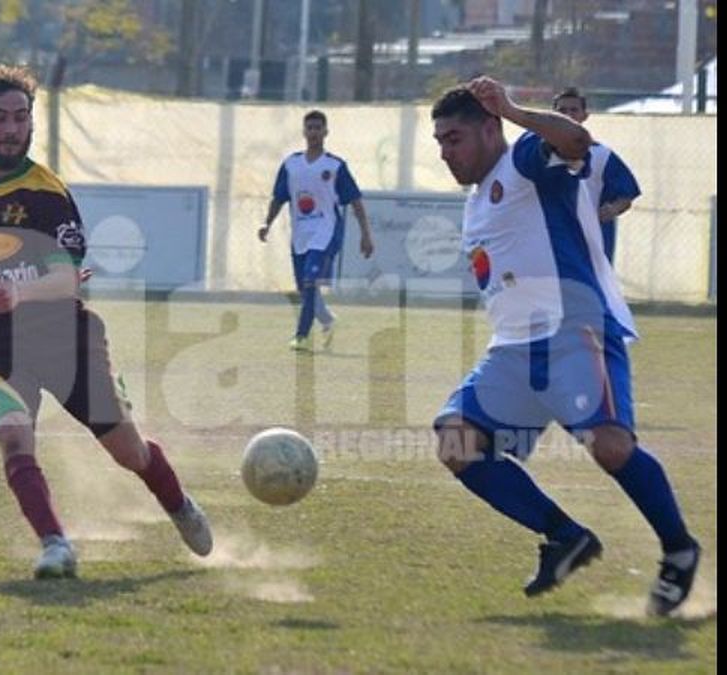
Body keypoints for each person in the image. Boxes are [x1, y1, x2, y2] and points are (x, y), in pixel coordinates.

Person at [429, 77, 699, 617]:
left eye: (454, 138)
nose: (445, 152)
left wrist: (511, 108)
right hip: (514, 350)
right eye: (439, 142)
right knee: (456, 443)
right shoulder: (477, 202)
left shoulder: (525, 160)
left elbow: (576, 141)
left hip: (576, 330)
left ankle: (678, 549)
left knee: (611, 447)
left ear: (489, 130)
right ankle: (565, 536)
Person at [0, 64, 213, 579]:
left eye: (21, 117)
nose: (12, 129)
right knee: (13, 434)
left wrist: (19, 291)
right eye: (0, 118)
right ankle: (55, 544)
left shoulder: (47, 194)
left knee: (128, 452)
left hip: (62, 338)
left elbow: (67, 279)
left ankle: (179, 505)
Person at [258, 110, 374, 352]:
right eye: (309, 128)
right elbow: (279, 198)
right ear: (304, 132)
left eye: (318, 128)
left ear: (325, 132)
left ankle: (301, 336)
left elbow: (355, 200)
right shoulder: (291, 165)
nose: (313, 133)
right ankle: (328, 321)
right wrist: (267, 223)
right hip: (300, 235)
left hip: (326, 231)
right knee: (305, 289)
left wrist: (366, 234)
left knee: (311, 282)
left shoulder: (335, 166)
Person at [552, 87, 641, 264]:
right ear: (552, 115)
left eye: (574, 110)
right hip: (551, 241)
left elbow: (626, 196)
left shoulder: (602, 155)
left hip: (592, 245)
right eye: (562, 110)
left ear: (585, 115)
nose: (568, 115)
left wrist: (613, 209)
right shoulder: (535, 154)